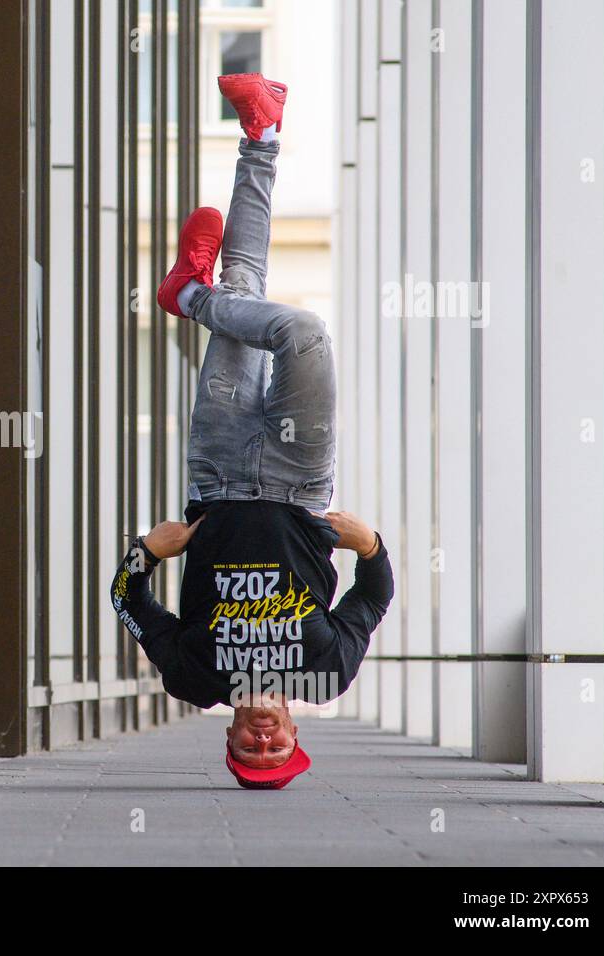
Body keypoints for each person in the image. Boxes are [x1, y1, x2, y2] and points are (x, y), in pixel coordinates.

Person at [110, 73, 394, 790]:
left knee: (245, 277)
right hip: (302, 482)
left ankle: (261, 135)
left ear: (232, 737)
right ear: (296, 732)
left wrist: (145, 552)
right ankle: (192, 295)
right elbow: (374, 596)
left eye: (251, 750)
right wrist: (372, 547)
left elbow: (126, 601)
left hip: (220, 468)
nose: (263, 738)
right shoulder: (325, 673)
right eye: (276, 750)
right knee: (303, 333)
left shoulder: (193, 678)